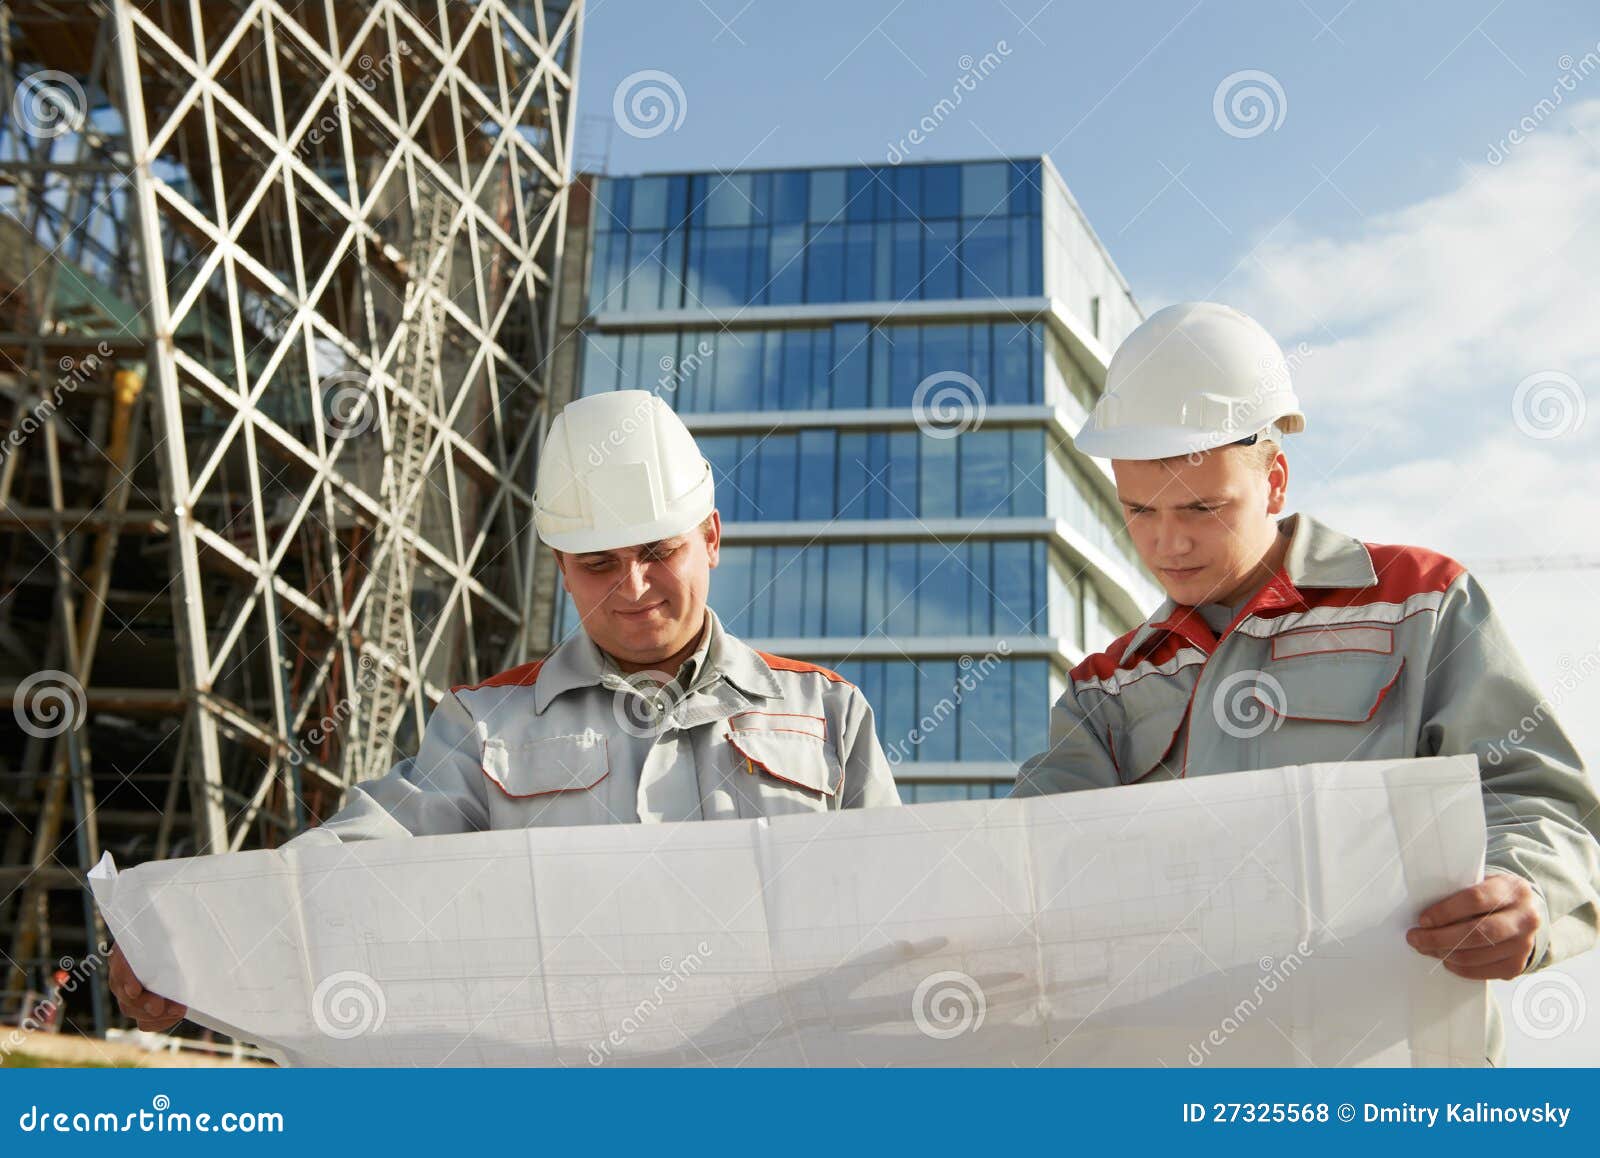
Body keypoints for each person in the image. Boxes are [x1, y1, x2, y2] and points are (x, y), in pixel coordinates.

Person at [111, 390, 901, 1031]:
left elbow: (901, 912)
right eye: (598, 565)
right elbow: (360, 856)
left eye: (659, 552)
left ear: (712, 538)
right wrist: (190, 927)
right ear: (561, 568)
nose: (633, 588)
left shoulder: (827, 714)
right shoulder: (486, 724)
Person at [1013, 301, 1600, 1062]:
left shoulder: (1419, 603)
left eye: (1203, 506)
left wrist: (1527, 892)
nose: (1168, 541)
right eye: (1139, 511)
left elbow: (1544, 799)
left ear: (1275, 480)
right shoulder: (1109, 687)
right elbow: (1022, 878)